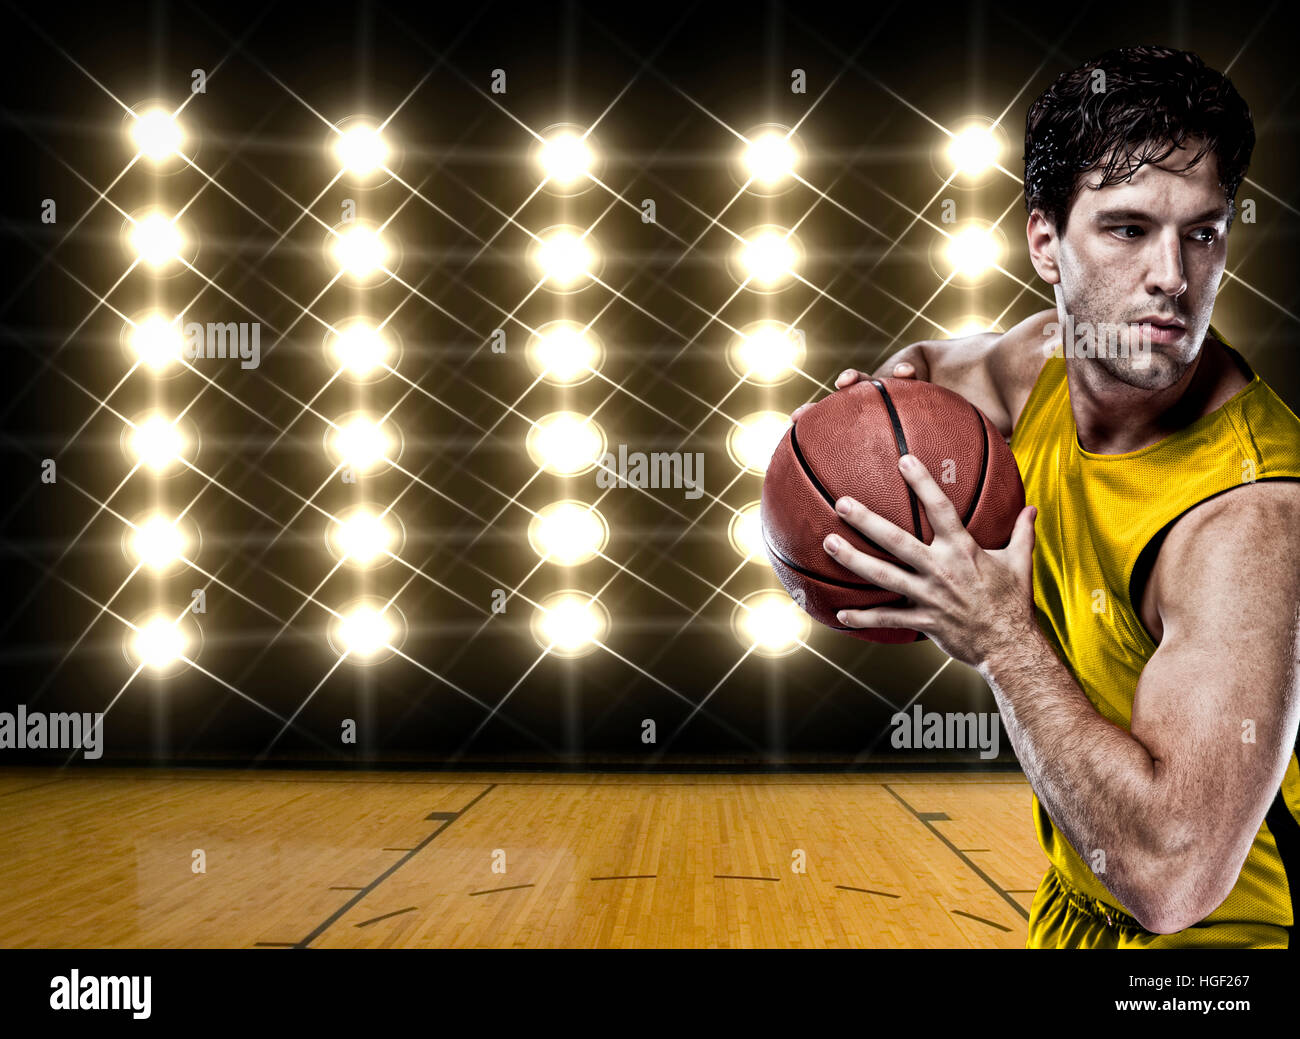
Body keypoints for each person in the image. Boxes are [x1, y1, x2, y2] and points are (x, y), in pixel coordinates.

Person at [791, 44, 1300, 947]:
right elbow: (932, 370)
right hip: (1078, 911)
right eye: (1128, 229)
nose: (1173, 279)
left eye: (1204, 232)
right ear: (1044, 244)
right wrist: (873, 414)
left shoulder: (1250, 520)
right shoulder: (1037, 372)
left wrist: (999, 637)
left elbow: (1172, 879)